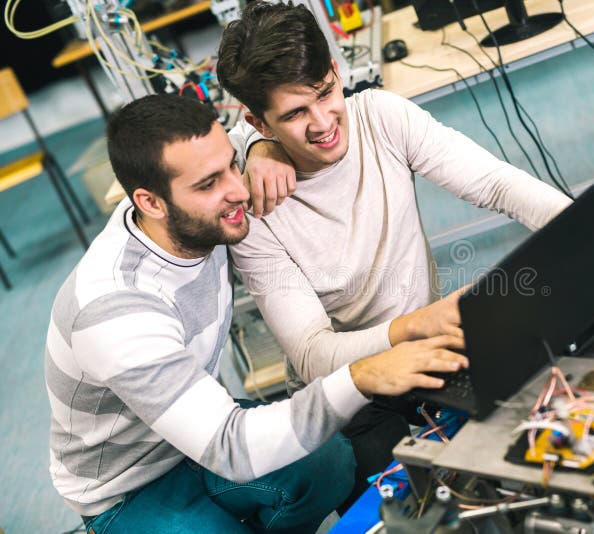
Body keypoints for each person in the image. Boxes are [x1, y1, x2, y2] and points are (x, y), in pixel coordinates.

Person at [44, 94, 468, 533]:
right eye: (209, 184)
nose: (239, 190)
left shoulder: (183, 210)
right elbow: (231, 447)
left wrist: (258, 149)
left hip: (199, 428)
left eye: (231, 165)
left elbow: (249, 130)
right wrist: (362, 375)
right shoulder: (115, 310)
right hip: (128, 483)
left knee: (331, 462)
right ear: (150, 202)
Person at [214, 1, 583, 499]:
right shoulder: (256, 212)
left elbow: (496, 185)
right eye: (296, 114)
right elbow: (313, 353)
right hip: (353, 395)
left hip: (436, 350)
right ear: (260, 124)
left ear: (336, 71)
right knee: (417, 510)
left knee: (550, 449)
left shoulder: (381, 117)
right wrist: (411, 329)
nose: (324, 122)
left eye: (326, 93)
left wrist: (588, 229)